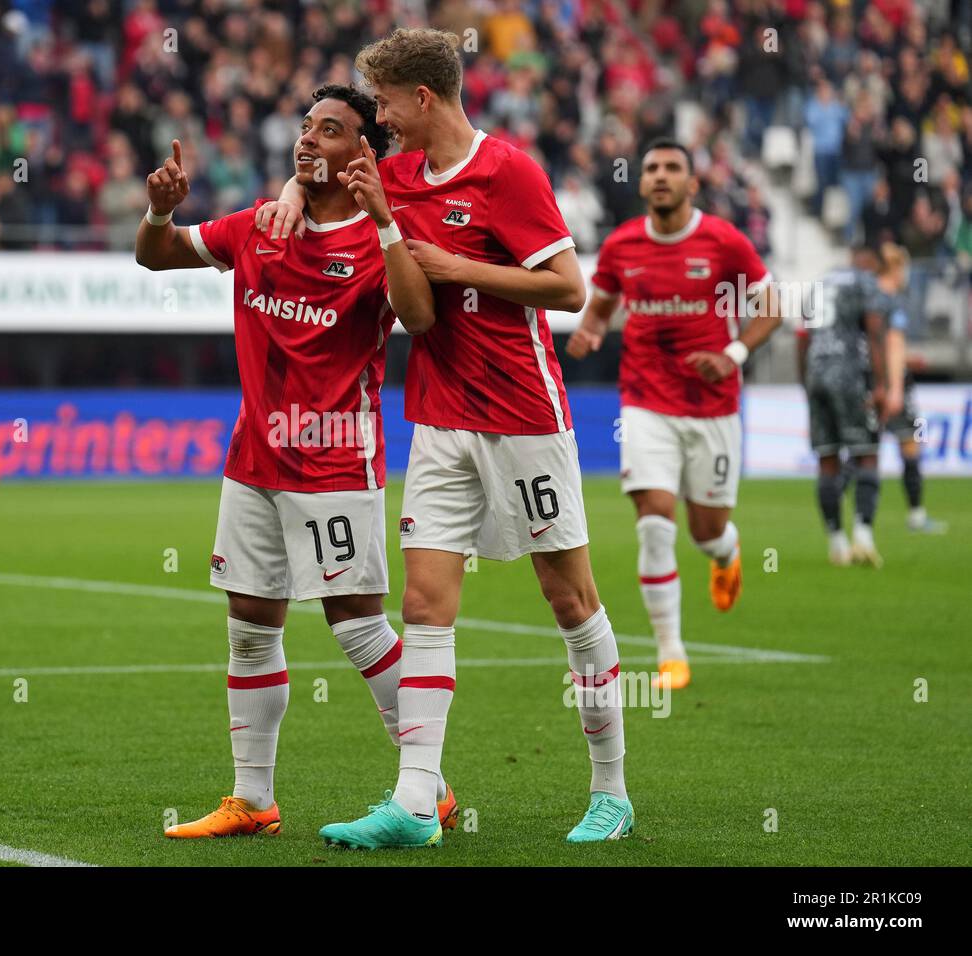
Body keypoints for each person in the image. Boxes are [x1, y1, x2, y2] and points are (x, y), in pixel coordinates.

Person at [258, 29, 631, 847]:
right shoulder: (391, 177)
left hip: (525, 415)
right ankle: (416, 804)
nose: (379, 120)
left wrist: (460, 267)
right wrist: (292, 190)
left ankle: (612, 790)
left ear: (421, 98)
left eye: (385, 104)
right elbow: (326, 183)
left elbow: (568, 287)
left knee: (570, 600)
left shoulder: (508, 171)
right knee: (424, 605)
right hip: (438, 418)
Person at [135, 85, 454, 839]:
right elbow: (157, 258)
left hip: (335, 462)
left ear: (362, 154)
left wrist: (383, 225)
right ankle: (253, 800)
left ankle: (428, 787)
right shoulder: (258, 225)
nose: (309, 139)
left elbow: (419, 317)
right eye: (307, 126)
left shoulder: (382, 242)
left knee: (356, 626)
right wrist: (159, 211)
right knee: (249, 621)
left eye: (331, 130)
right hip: (252, 460)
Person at [567, 139, 782, 691]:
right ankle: (672, 653)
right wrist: (592, 328)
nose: (661, 176)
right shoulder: (621, 245)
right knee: (655, 524)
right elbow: (603, 300)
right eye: (653, 168)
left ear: (692, 183)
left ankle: (725, 552)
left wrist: (733, 355)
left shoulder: (723, 241)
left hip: (713, 406)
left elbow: (772, 305)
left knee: (705, 531)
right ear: (642, 184)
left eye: (673, 169)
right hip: (645, 402)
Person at [798, 247, 903, 567]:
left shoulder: (820, 284)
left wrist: (805, 382)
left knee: (827, 459)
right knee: (866, 453)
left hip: (816, 373)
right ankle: (863, 538)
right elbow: (874, 331)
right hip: (850, 376)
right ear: (870, 263)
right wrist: (882, 385)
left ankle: (836, 543)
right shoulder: (866, 284)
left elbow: (802, 336)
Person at [874, 242, 946, 534]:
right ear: (896, 268)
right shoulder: (891, 301)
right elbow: (890, 343)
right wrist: (897, 382)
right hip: (895, 386)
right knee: (911, 444)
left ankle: (842, 511)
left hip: (870, 382)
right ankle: (916, 514)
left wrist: (905, 357)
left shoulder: (869, 297)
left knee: (862, 448)